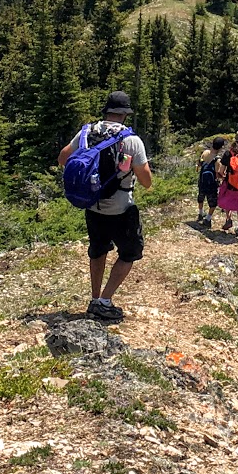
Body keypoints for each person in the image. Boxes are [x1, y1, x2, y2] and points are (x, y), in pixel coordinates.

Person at [58, 91, 151, 321]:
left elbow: (62, 159)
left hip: (92, 204)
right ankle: (105, 301)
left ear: (107, 111)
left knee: (98, 249)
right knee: (130, 252)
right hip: (120, 207)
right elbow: (146, 181)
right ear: (125, 114)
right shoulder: (131, 140)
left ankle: (94, 297)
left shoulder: (86, 132)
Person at [196, 136, 226, 228]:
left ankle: (200, 213)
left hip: (202, 181)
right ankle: (208, 219)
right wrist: (224, 177)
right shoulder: (217, 160)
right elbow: (218, 174)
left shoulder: (205, 153)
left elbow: (199, 166)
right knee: (213, 203)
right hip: (211, 184)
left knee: (201, 197)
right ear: (221, 147)